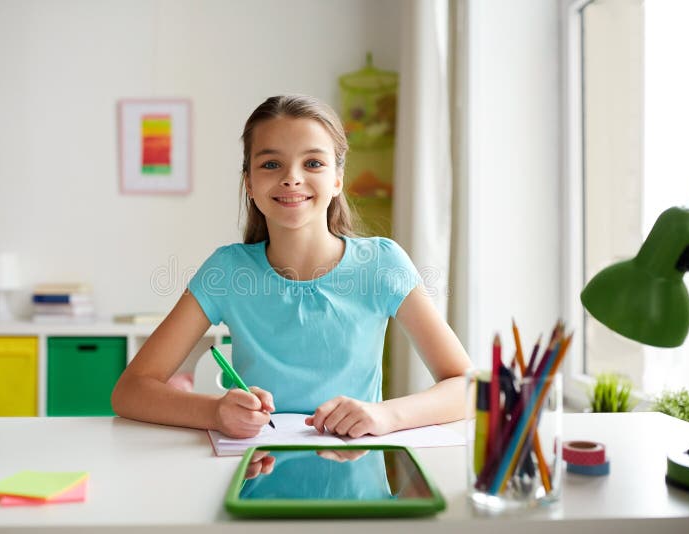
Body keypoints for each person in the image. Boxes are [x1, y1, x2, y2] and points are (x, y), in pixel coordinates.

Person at [111, 94, 472, 444]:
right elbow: (130, 391)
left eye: (313, 163)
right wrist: (215, 412)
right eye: (271, 164)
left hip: (359, 491)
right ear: (249, 182)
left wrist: (385, 415)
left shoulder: (381, 264)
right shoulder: (226, 270)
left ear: (337, 179)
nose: (291, 178)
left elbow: (467, 386)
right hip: (257, 481)